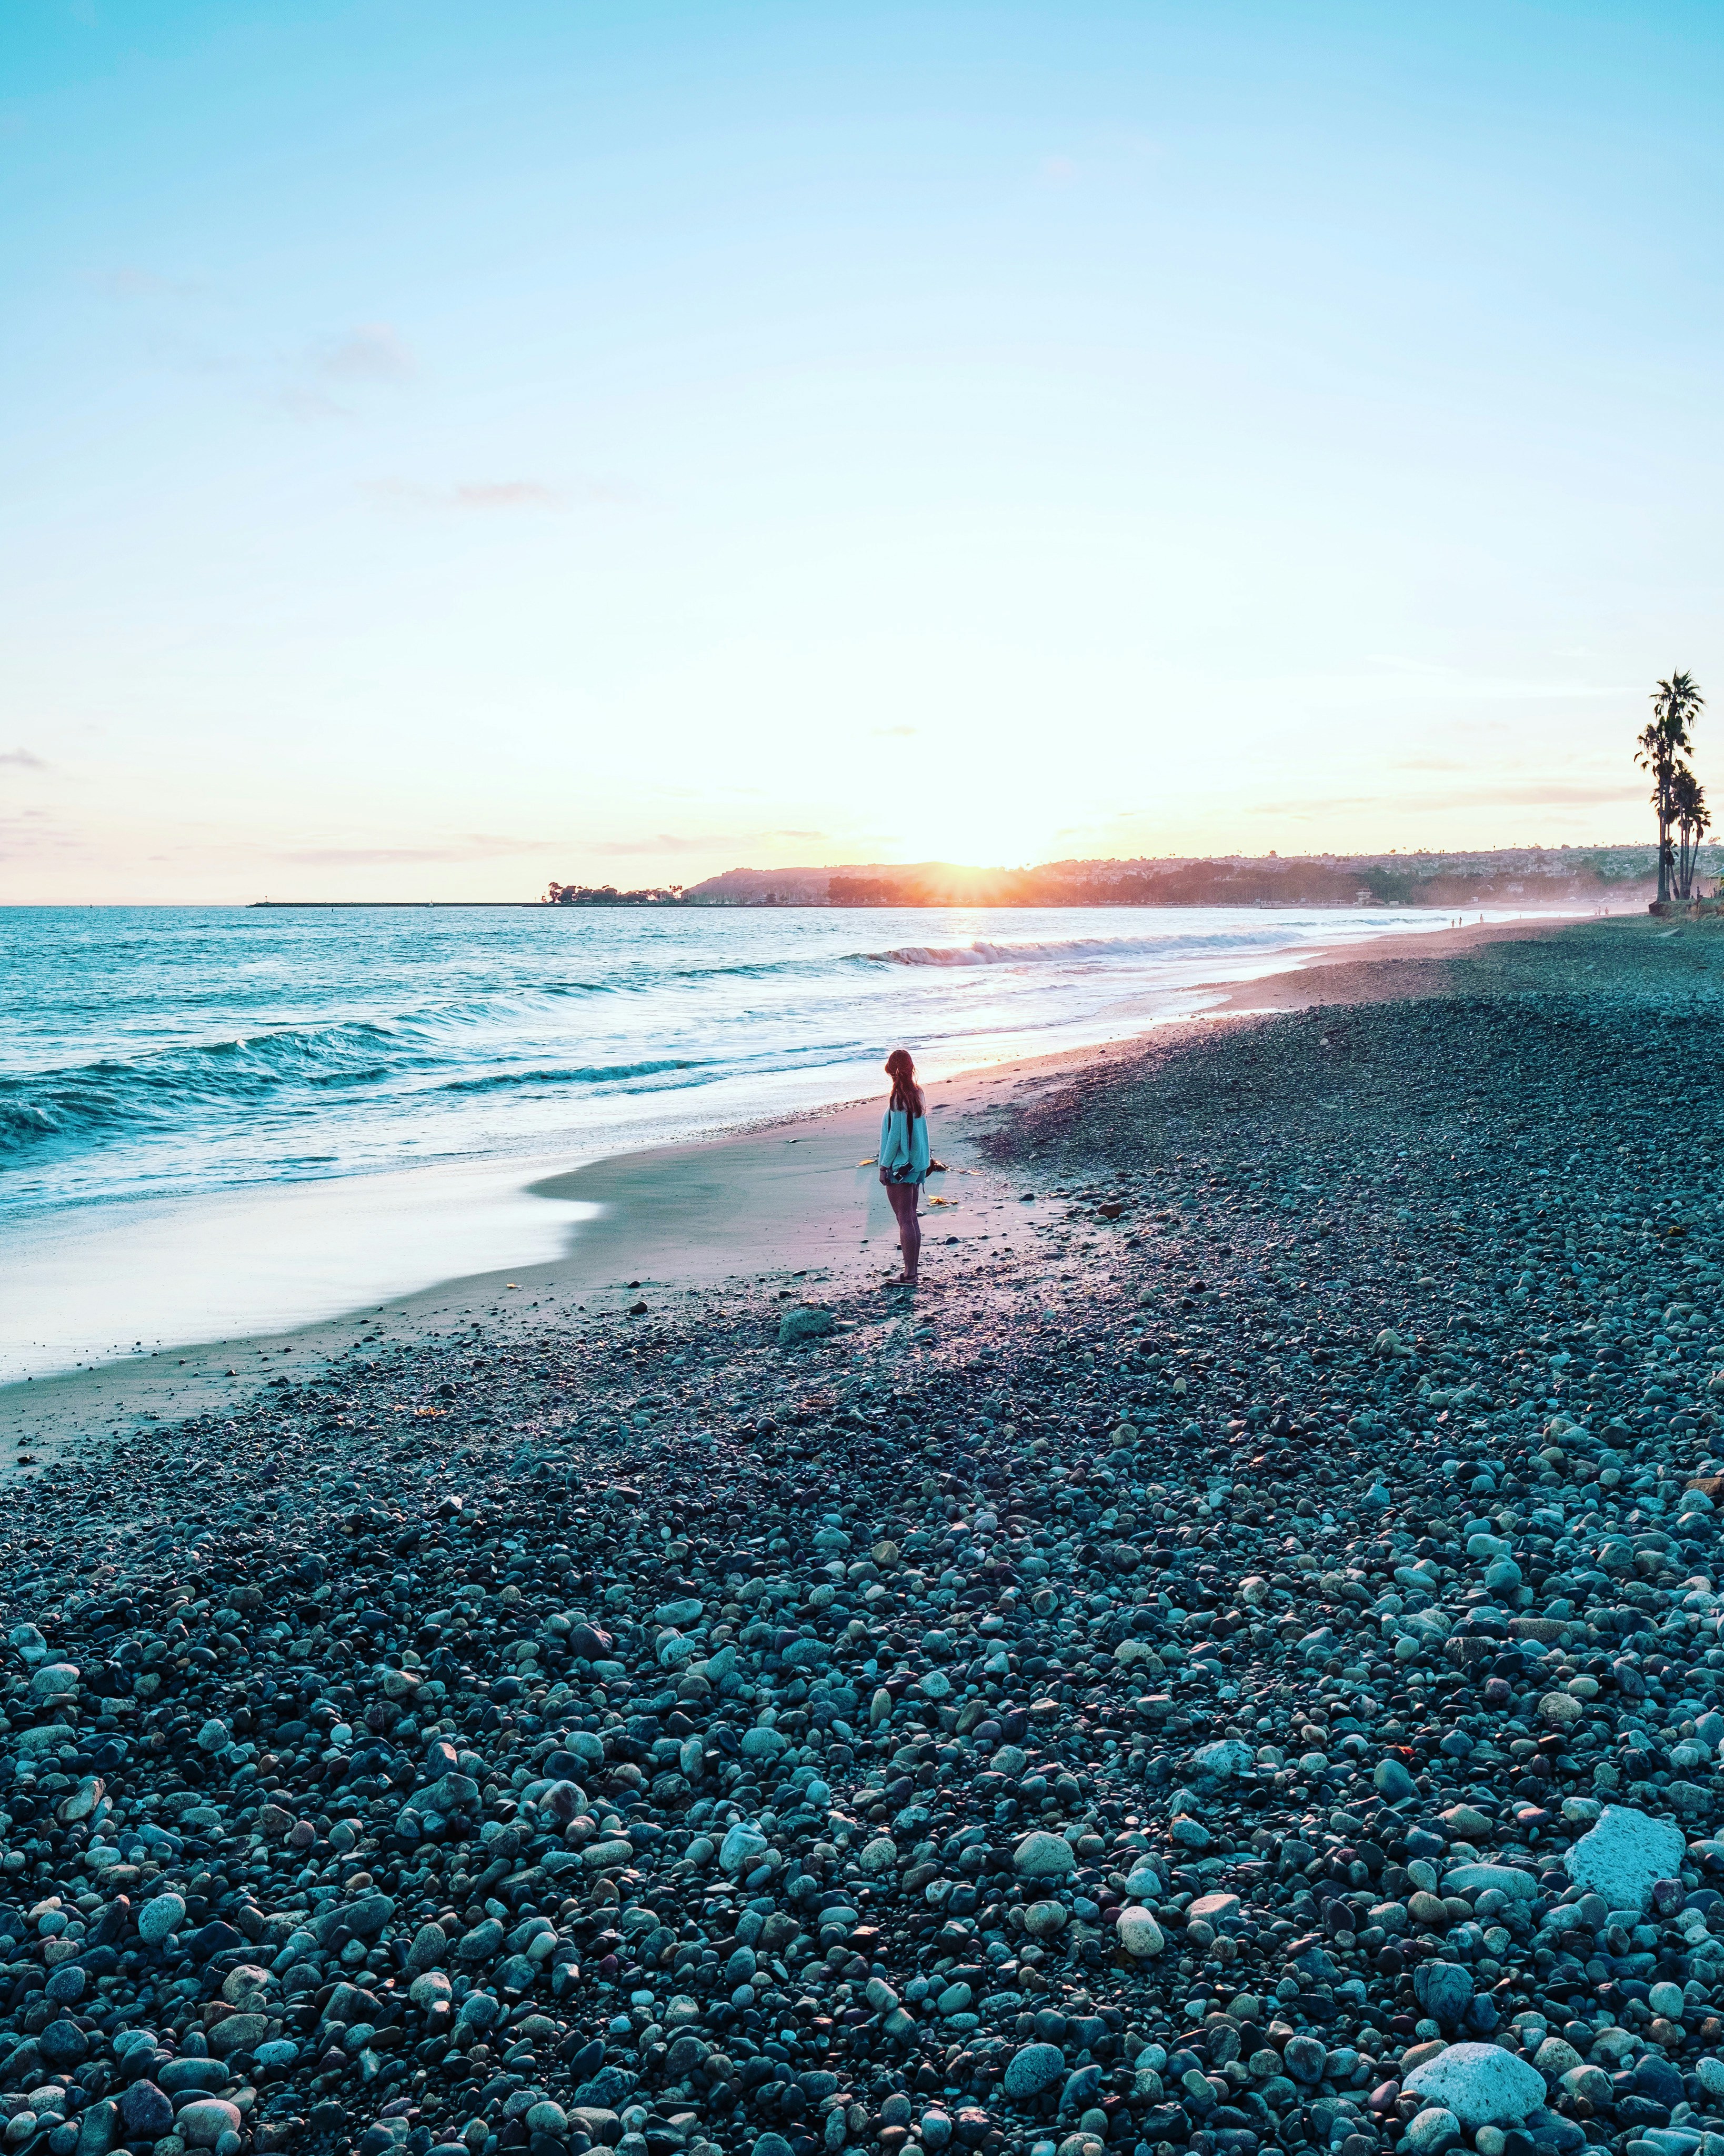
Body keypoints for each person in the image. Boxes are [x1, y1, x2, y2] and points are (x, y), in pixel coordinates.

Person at [878, 1046, 931, 1286]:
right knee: (911, 1218)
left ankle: (909, 1275)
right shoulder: (917, 1093)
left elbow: (896, 1138)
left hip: (901, 1166)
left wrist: (883, 1165)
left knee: (905, 1220)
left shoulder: (898, 1099)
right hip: (918, 1164)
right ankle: (912, 1271)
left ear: (890, 1071)